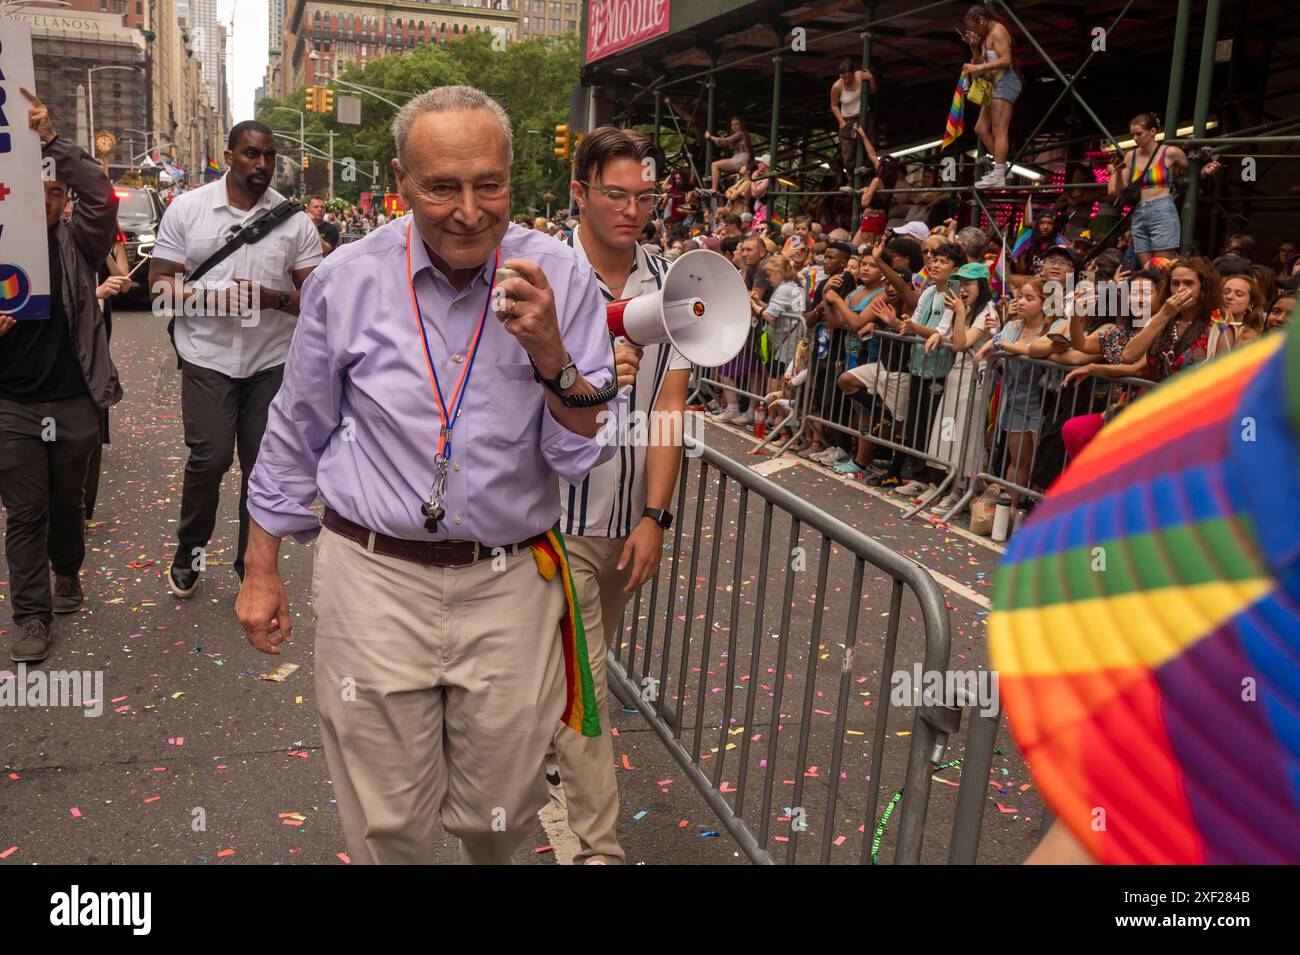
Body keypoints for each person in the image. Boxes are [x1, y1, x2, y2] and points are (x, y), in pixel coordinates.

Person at [237, 85, 617, 866]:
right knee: (390, 828)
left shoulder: (560, 279)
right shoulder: (346, 280)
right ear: (402, 184)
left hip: (510, 582)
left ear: (516, 178)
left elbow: (580, 447)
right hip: (372, 580)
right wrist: (260, 565)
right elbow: (295, 430)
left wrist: (551, 352)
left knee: (497, 817)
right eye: (443, 186)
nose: (470, 210)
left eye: (491, 184)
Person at [549, 127, 689, 865]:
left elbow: (671, 402)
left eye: (645, 196)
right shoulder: (542, 271)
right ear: (580, 191)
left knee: (574, 672)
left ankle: (547, 759)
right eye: (615, 194)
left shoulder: (672, 278)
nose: (633, 209)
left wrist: (655, 516)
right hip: (550, 520)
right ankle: (597, 849)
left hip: (626, 519)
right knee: (586, 682)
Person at [149, 121, 323, 596]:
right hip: (207, 356)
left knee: (261, 465)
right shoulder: (188, 210)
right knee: (210, 459)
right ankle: (191, 550)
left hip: (271, 361)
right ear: (229, 156)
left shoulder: (295, 222)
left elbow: (318, 299)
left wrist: (275, 299)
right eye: (250, 154)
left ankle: (253, 566)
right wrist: (213, 299)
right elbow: (160, 289)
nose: (261, 164)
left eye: (268, 156)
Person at [1, 89, 121, 664]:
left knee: (67, 504)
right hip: (13, 404)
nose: (51, 200)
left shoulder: (79, 243)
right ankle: (30, 615)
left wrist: (52, 141)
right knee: (26, 512)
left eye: (58, 192)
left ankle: (67, 571)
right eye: (41, 191)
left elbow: (100, 193)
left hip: (73, 400)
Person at [1107, 112, 1221, 264]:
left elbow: (1191, 172)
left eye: (1139, 134)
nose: (1135, 138)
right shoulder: (1130, 156)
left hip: (1161, 208)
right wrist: (1116, 172)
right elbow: (1120, 190)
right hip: (1139, 211)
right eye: (1132, 135)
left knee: (1162, 265)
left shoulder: (1170, 152)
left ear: (1153, 131)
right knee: (1146, 267)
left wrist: (1204, 171)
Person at [961, 4, 1021, 189]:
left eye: (975, 27)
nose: (975, 31)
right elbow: (982, 61)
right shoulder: (987, 36)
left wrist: (977, 68)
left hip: (1006, 82)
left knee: (998, 129)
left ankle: (999, 173)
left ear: (982, 20)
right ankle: (1001, 170)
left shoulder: (998, 31)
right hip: (994, 85)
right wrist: (974, 47)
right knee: (980, 128)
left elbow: (1006, 59)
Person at [830, 58, 879, 184]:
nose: (846, 80)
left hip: (863, 116)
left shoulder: (859, 76)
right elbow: (834, 105)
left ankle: (868, 174)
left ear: (853, 74)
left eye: (849, 77)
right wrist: (841, 121)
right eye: (843, 78)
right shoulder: (837, 86)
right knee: (849, 152)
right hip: (848, 119)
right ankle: (852, 180)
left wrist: (871, 79)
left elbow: (873, 92)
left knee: (869, 143)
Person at [1209, 273, 1267, 357]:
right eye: (1225, 292)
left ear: (1251, 304)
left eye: (1239, 294)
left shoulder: (1256, 339)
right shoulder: (1205, 326)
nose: (1229, 296)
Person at [704, 116, 753, 194]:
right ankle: (714, 181)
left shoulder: (740, 134)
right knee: (718, 167)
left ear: (742, 125)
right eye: (732, 125)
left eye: (737, 124)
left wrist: (711, 137)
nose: (734, 127)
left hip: (741, 159)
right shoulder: (744, 134)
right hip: (742, 158)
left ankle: (714, 189)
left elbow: (726, 141)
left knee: (715, 165)